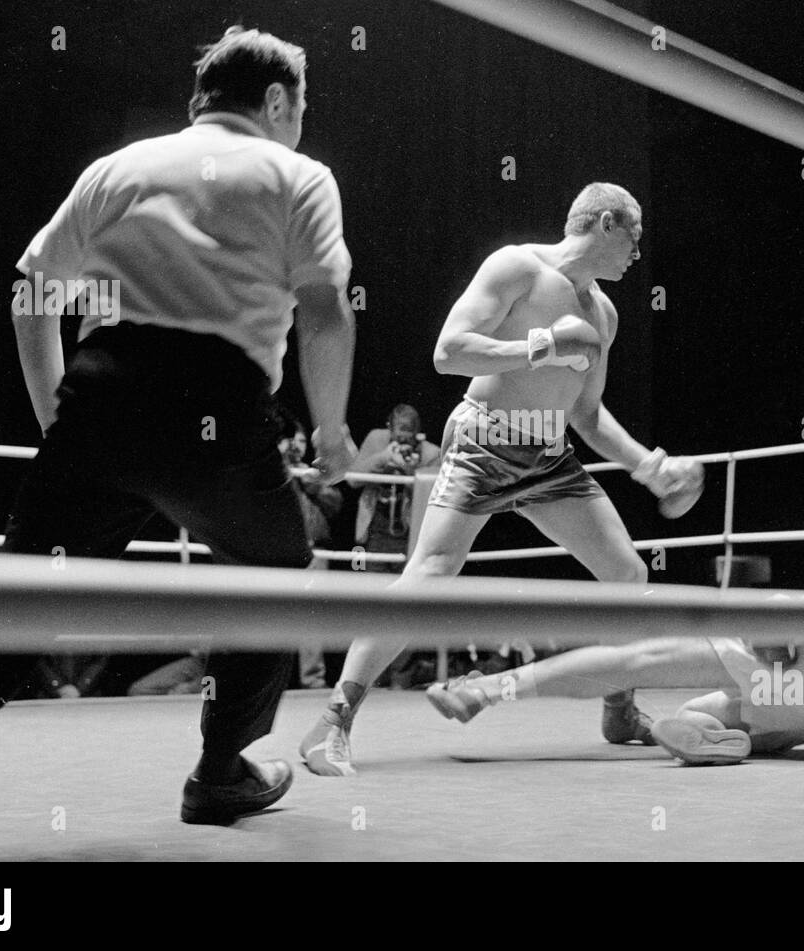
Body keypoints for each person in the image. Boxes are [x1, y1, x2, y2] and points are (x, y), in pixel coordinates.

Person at [0, 26, 355, 861]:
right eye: (300, 108)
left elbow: (32, 295)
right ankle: (220, 767)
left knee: (12, 618)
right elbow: (328, 310)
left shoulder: (117, 168)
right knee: (275, 580)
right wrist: (334, 428)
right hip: (221, 407)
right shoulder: (297, 173)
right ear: (275, 101)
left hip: (104, 393)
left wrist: (60, 413)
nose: (302, 124)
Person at [300, 183, 706, 776]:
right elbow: (449, 352)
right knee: (432, 574)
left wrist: (651, 468)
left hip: (549, 452)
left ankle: (620, 710)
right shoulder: (516, 265)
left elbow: (587, 416)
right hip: (485, 438)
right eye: (635, 234)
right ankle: (332, 720)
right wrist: (542, 344)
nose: (639, 251)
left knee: (627, 573)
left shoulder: (605, 314)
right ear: (606, 223)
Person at [426, 457, 804, 763]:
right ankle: (729, 741)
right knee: (696, 715)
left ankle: (487, 691)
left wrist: (792, 615)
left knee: (643, 658)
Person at [349, 404, 442, 686]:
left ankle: (401, 678)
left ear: (418, 433)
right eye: (398, 433)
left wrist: (411, 473)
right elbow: (353, 478)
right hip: (374, 536)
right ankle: (366, 679)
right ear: (390, 429)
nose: (403, 440)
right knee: (372, 606)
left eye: (409, 434)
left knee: (405, 607)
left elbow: (434, 496)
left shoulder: (431, 453)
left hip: (410, 540)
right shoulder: (377, 440)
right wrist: (382, 459)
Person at [281, 418, 344, 688]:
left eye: (303, 440)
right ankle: (271, 685)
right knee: (275, 616)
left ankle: (313, 681)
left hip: (315, 550)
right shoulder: (270, 473)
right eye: (291, 439)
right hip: (279, 552)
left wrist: (314, 485)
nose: (297, 445)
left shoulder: (310, 475)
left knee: (311, 616)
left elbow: (336, 504)